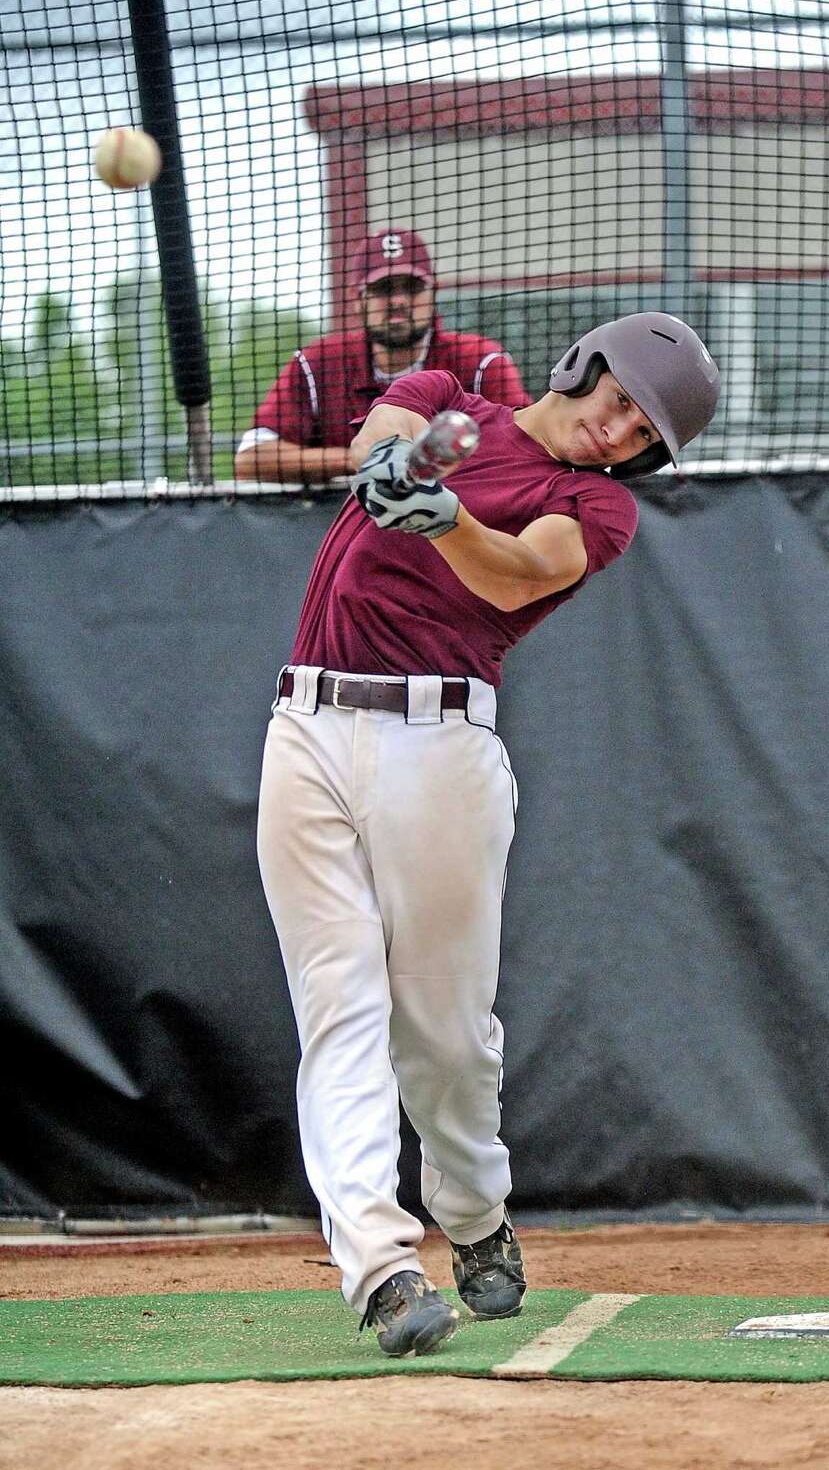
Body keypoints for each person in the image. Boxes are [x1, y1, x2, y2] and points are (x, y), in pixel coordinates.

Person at [255, 312, 720, 1357]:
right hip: (308, 727)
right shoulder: (442, 398)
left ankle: (471, 1217)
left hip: (442, 746)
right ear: (583, 365)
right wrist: (399, 468)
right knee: (339, 1007)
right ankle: (379, 1270)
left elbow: (515, 571)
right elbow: (382, 440)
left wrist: (439, 514)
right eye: (619, 401)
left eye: (644, 431)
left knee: (447, 1031)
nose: (620, 433)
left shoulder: (596, 507)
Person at [235, 227, 530, 483]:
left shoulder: (481, 361)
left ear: (433, 292)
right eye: (383, 289)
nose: (398, 301)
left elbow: (530, 452)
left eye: (412, 288)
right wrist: (362, 458)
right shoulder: (318, 363)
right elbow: (250, 459)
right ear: (357, 299)